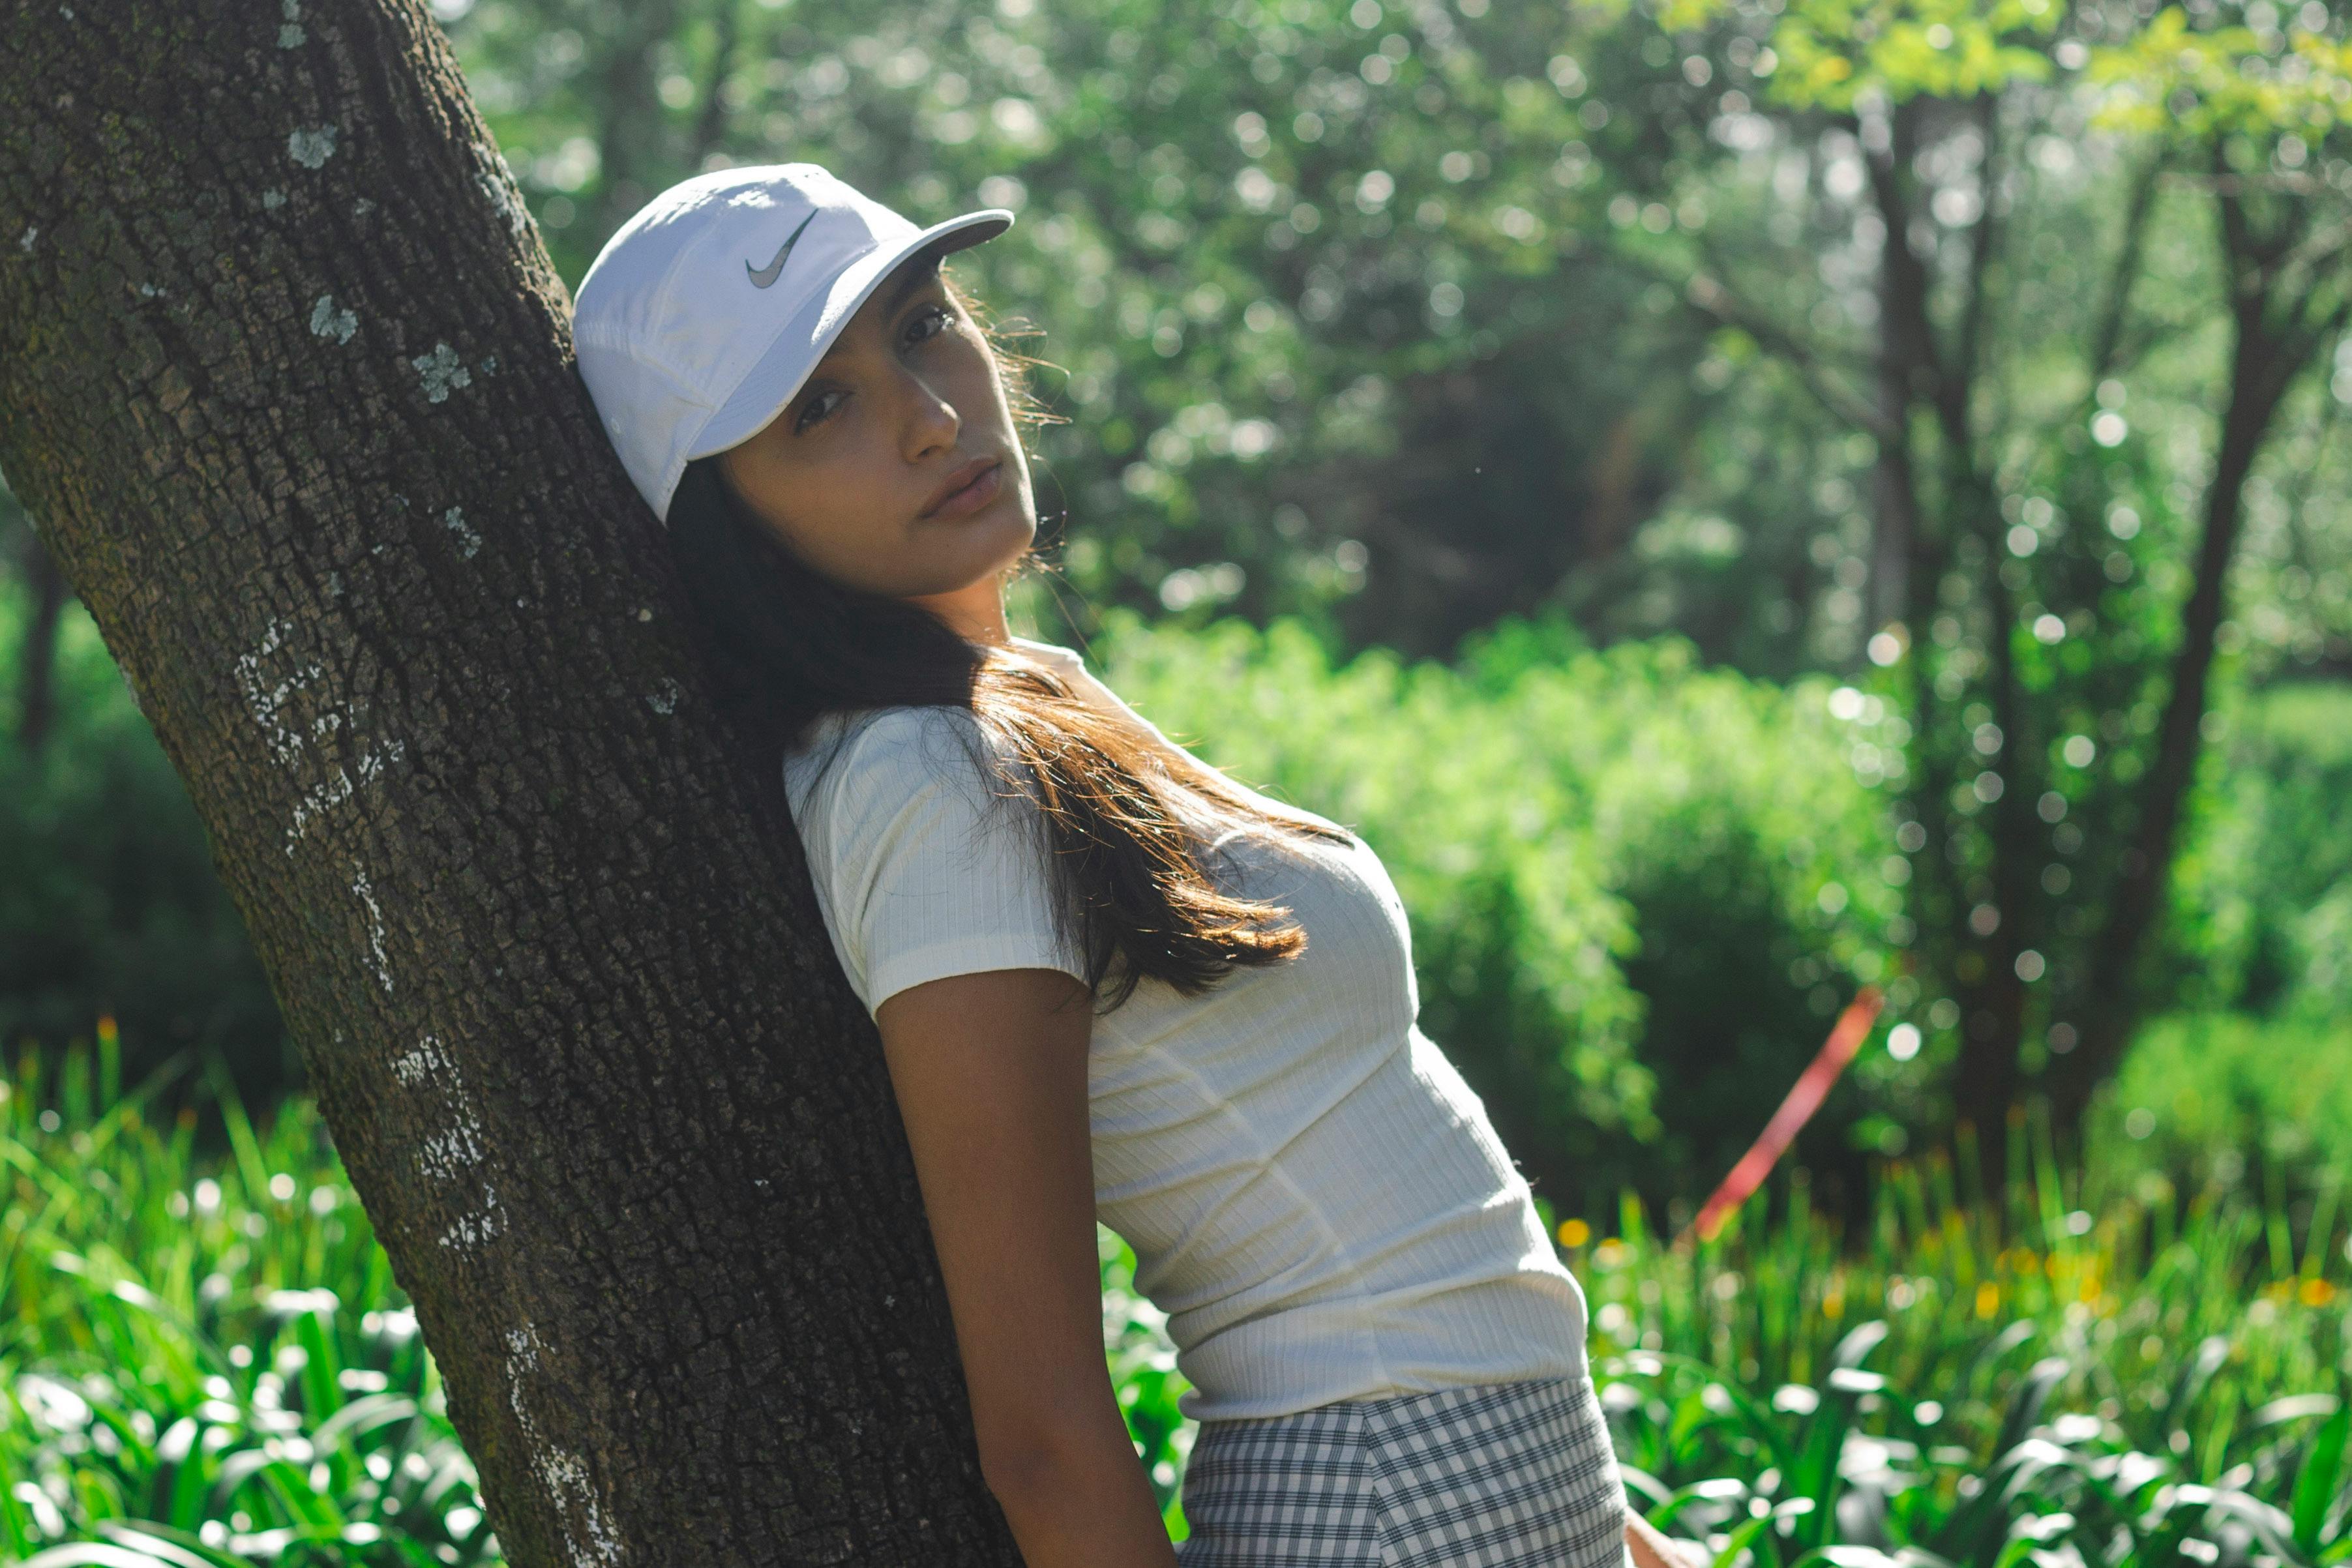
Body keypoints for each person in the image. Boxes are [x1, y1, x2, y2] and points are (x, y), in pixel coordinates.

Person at [572, 163, 1634, 1568]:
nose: (933, 414)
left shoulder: (1020, 705)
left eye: (920, 324)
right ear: (724, 522)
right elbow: (1043, 1428)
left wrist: (1616, 1536)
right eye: (819, 407)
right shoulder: (924, 783)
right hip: (1381, 1487)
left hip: (1487, 1479)